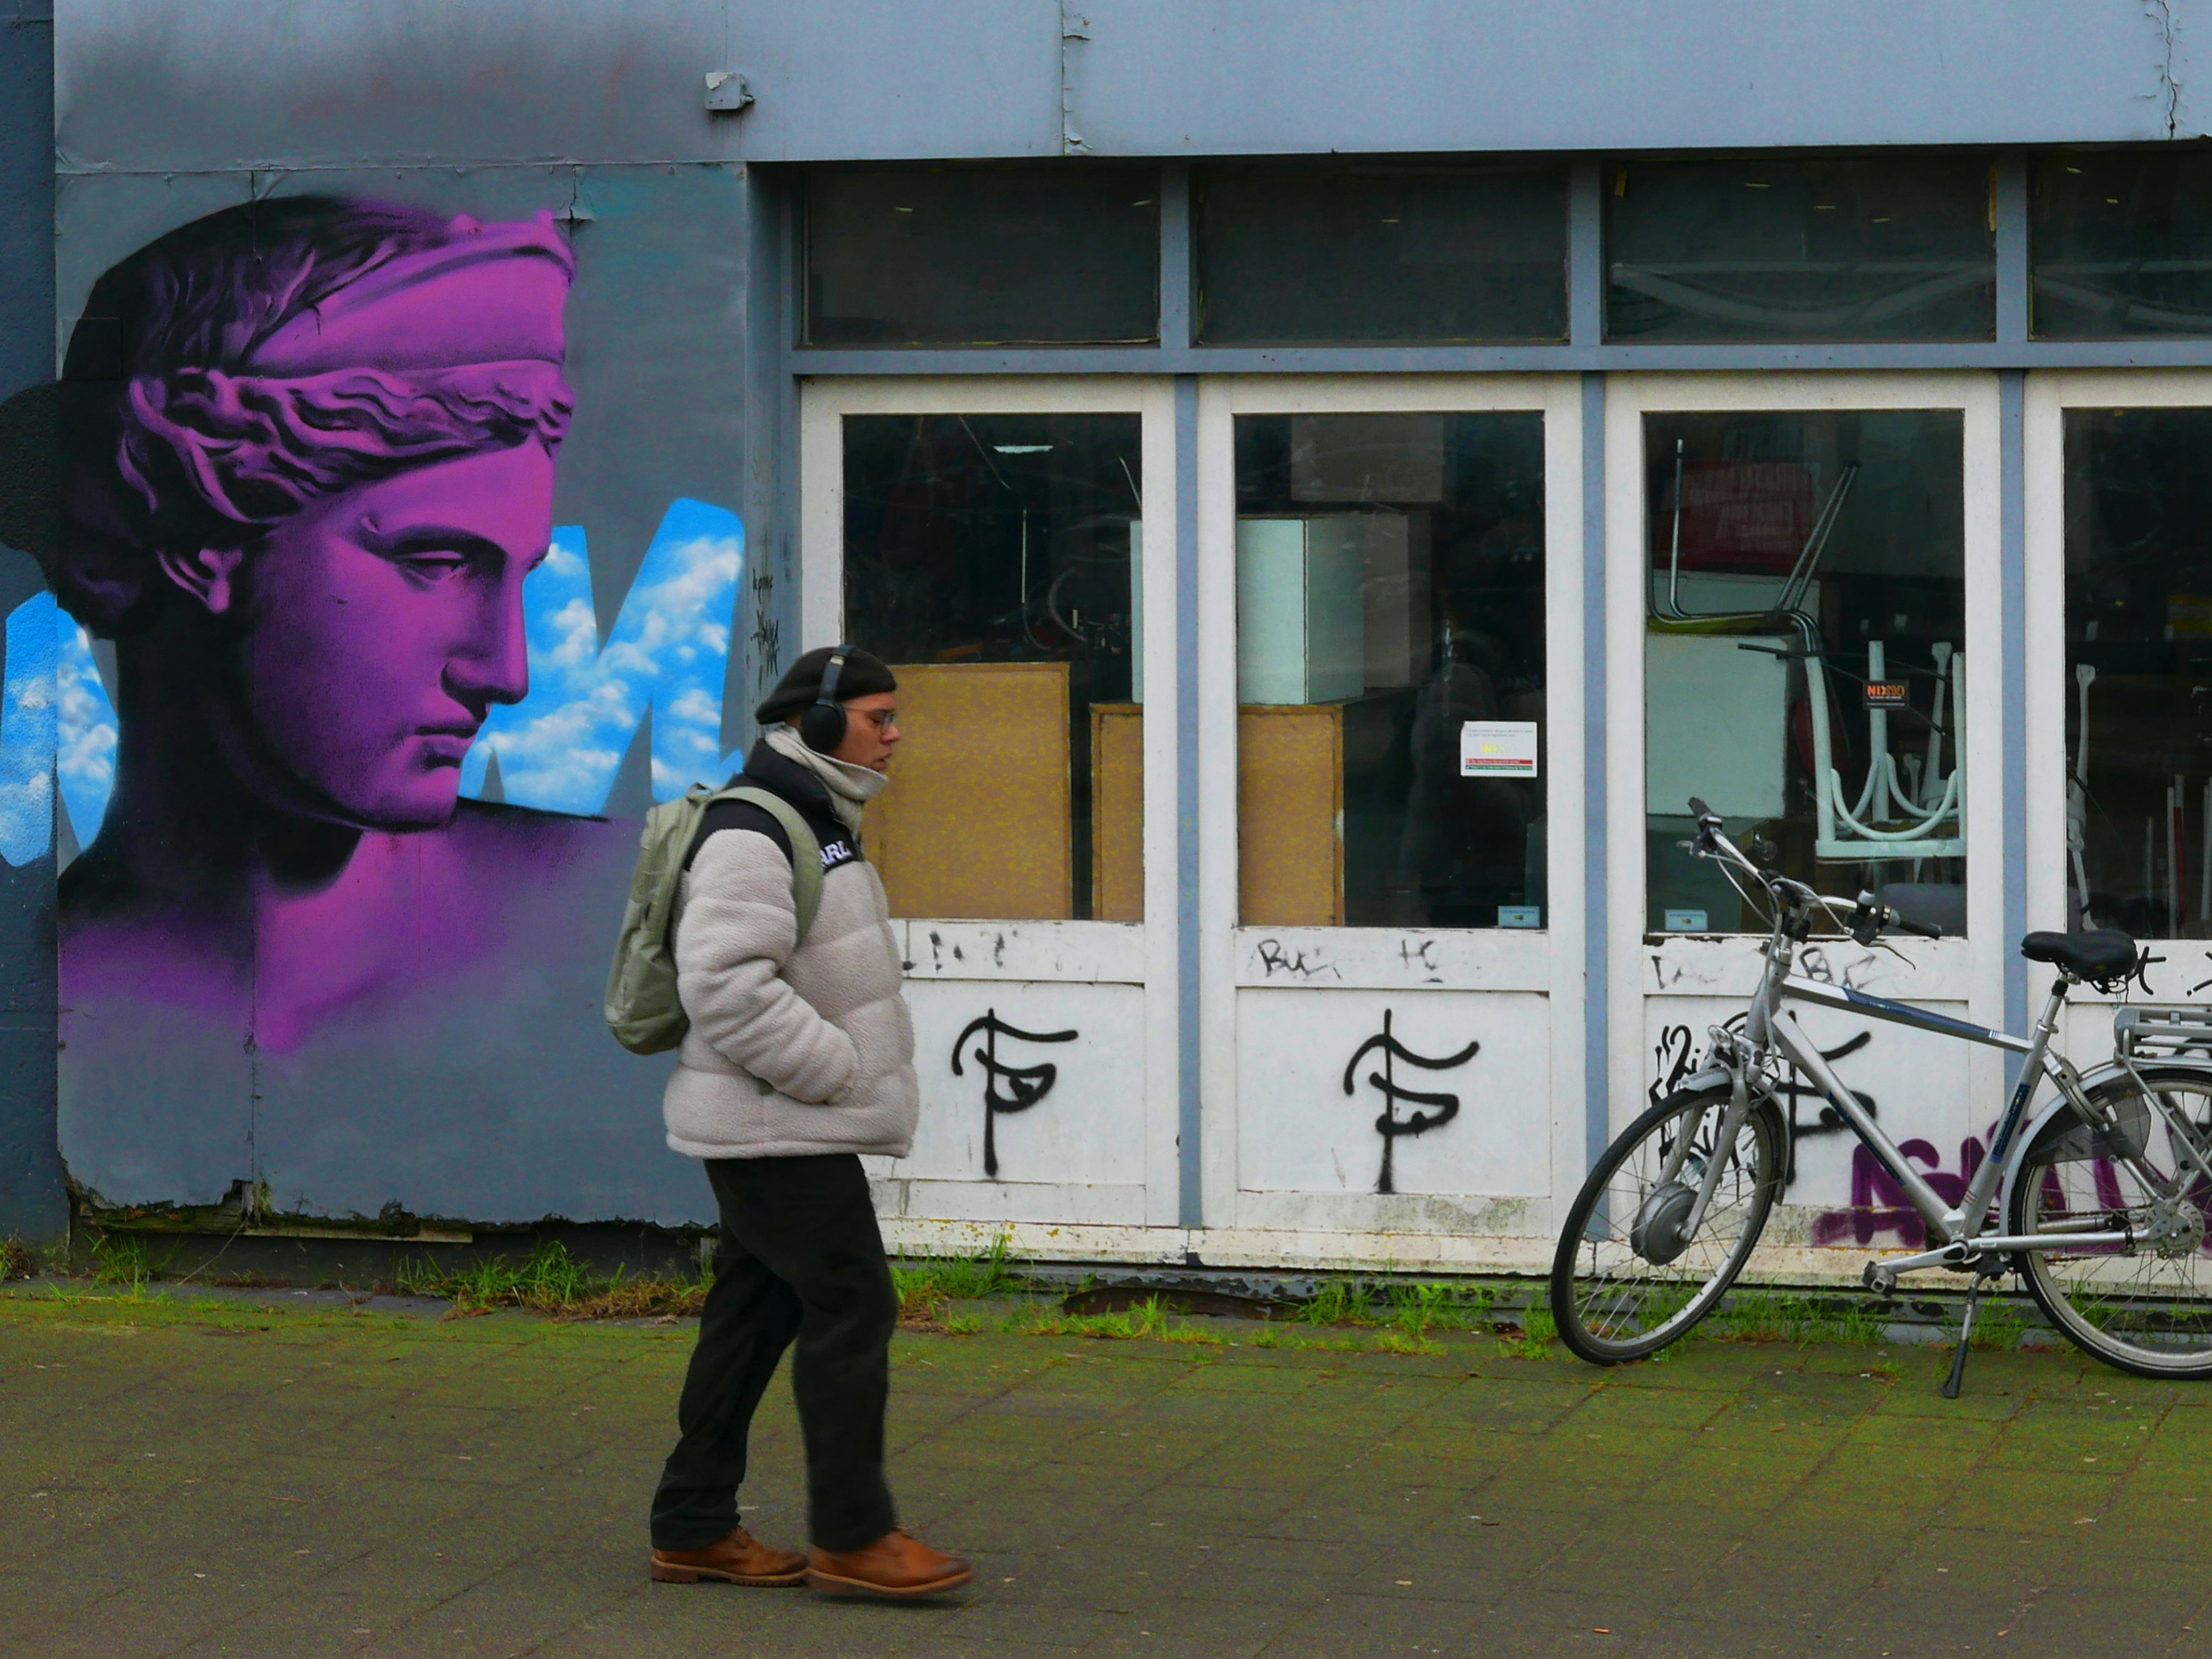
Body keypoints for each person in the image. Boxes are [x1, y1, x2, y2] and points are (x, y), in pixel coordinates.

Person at [47, 196, 628, 1049]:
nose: (506, 674)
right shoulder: (47, 989)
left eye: (521, 574)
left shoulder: (620, 907)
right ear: (203, 542)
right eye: (436, 562)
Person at [647, 645, 970, 1600]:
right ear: (817, 725)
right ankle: (854, 1536)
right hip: (774, 1123)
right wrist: (833, 1069)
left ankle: (694, 1523)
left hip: (779, 1120)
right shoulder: (755, 828)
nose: (895, 734)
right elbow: (723, 984)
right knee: (854, 1301)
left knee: (756, 1313)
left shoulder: (816, 814)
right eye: (879, 717)